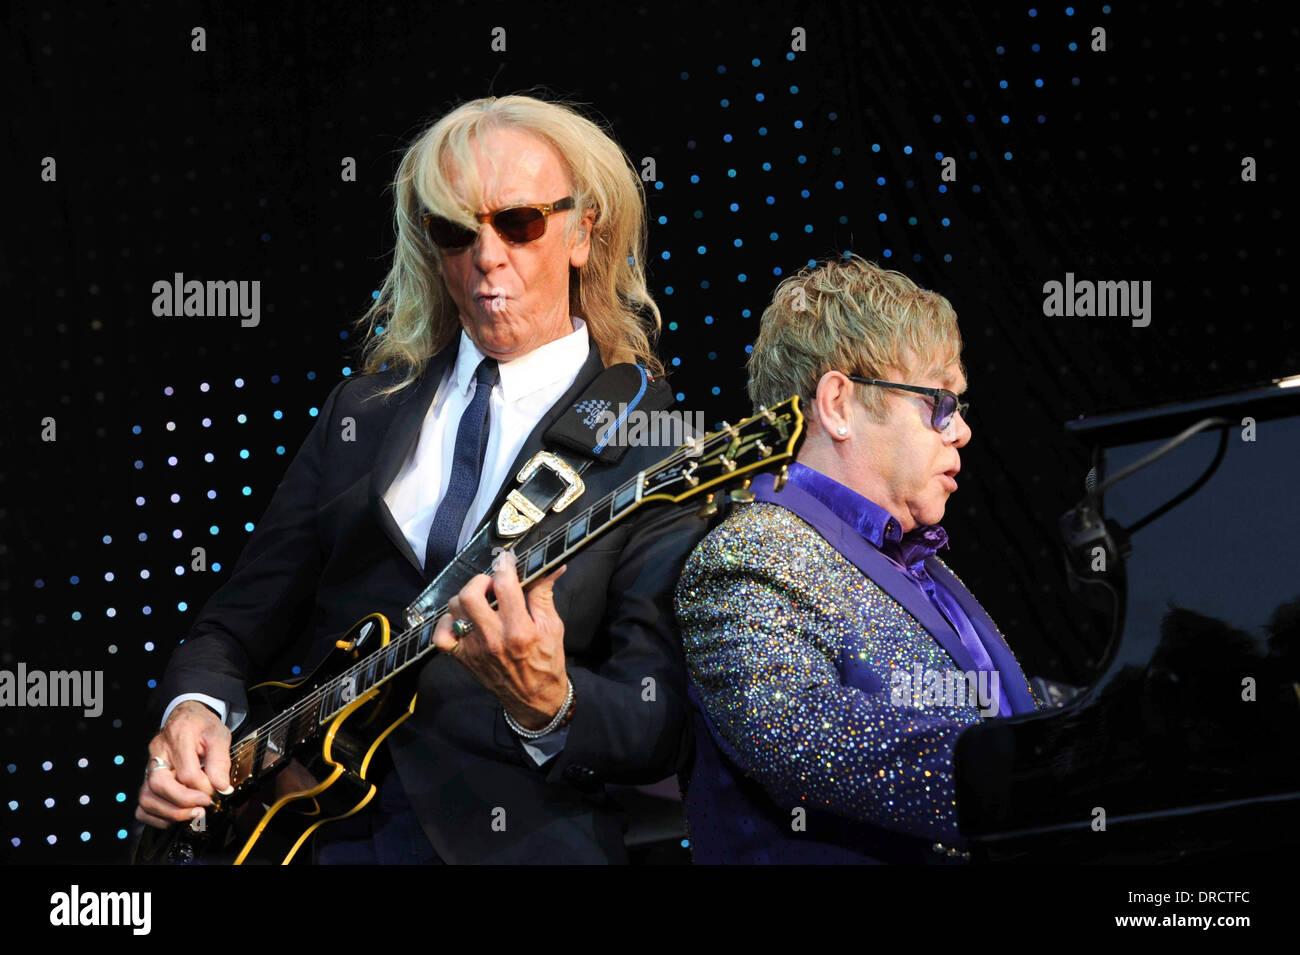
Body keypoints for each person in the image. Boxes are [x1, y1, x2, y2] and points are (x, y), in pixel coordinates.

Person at [135, 93, 710, 864]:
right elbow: (233, 626)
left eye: (520, 222)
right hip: (309, 836)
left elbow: (662, 722)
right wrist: (194, 712)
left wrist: (551, 703)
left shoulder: (655, 443)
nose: (487, 256)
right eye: (454, 230)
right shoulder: (362, 410)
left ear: (584, 229)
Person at [673, 254, 1046, 864]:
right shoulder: (752, 552)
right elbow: (799, 730)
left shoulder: (913, 561)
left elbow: (999, 701)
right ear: (839, 404)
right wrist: (1046, 775)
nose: (961, 433)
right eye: (940, 404)